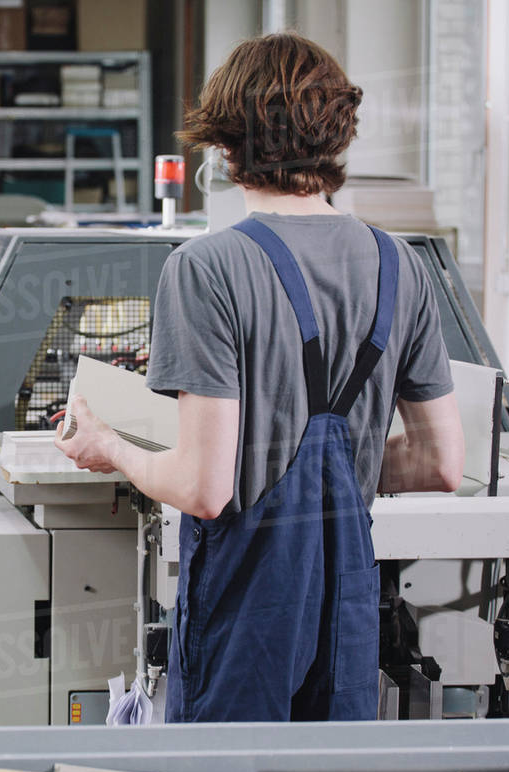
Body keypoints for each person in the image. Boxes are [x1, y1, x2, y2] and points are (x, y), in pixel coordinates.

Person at [55, 32, 465, 723]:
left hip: (248, 619)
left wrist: (110, 447)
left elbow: (204, 490)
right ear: (335, 139)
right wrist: (331, 461)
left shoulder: (208, 268)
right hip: (348, 611)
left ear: (227, 145)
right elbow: (440, 463)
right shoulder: (403, 266)